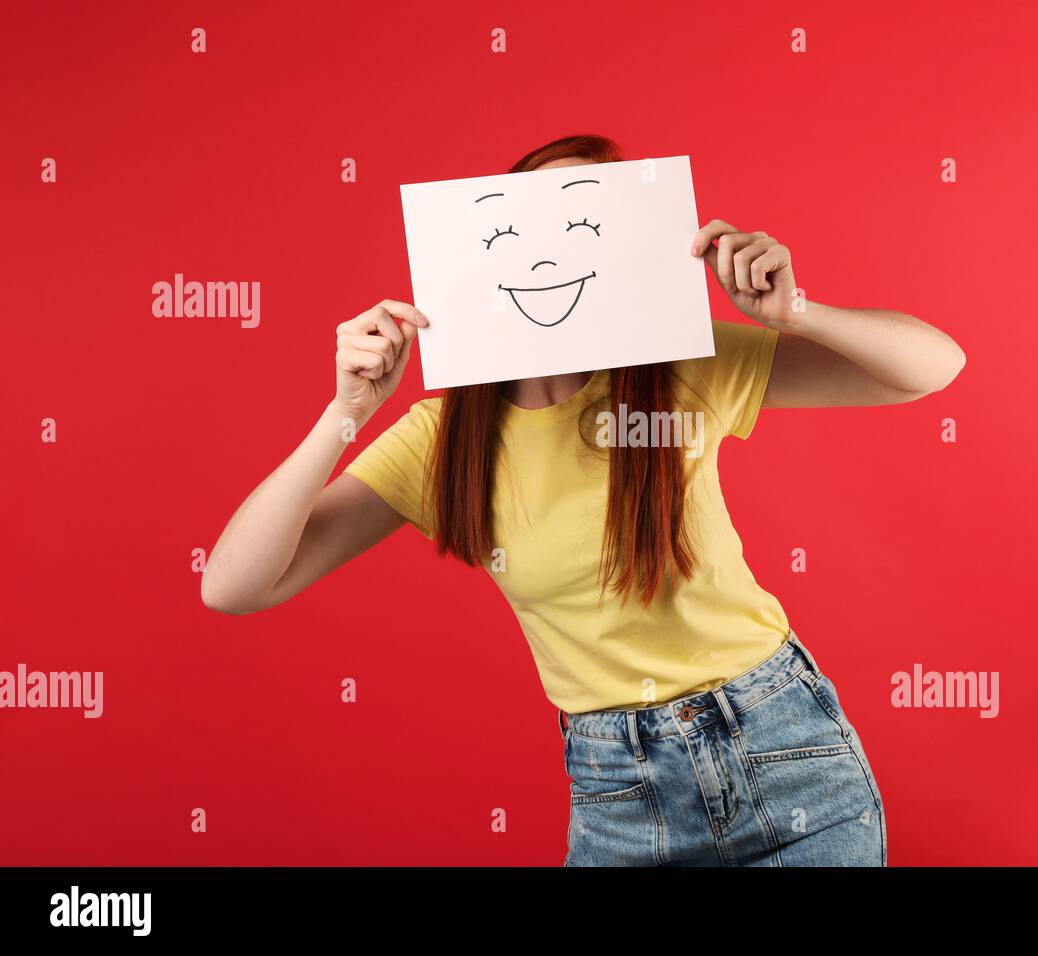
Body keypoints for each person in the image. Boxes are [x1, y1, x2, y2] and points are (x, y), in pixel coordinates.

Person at [201, 133, 966, 866]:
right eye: (526, 223)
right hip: (619, 789)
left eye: (587, 226)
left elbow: (930, 367)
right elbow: (234, 586)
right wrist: (348, 412)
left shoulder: (680, 372)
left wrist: (792, 312)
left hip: (783, 745)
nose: (549, 254)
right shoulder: (444, 439)